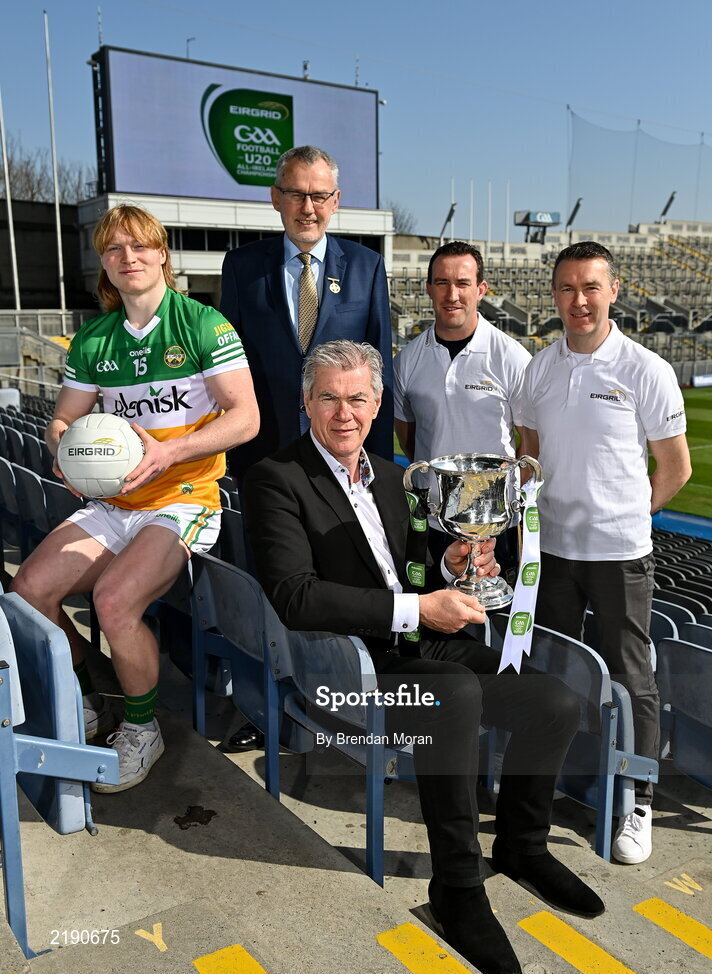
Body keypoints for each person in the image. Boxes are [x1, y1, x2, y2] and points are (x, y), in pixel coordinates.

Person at [243, 339, 604, 974]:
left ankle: (522, 846)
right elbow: (295, 597)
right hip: (347, 666)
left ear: (379, 403)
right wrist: (417, 610)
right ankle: (457, 888)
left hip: (419, 646)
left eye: (358, 397)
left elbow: (414, 564)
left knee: (555, 701)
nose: (344, 412)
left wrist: (456, 563)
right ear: (305, 403)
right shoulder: (277, 479)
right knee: (454, 696)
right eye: (328, 397)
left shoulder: (391, 475)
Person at [10, 204, 259, 793]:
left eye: (139, 246)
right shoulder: (96, 338)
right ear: (105, 264)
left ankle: (143, 728)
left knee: (114, 600)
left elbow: (246, 417)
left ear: (161, 253)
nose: (129, 258)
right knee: (28, 591)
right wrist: (64, 452)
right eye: (115, 250)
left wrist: (170, 453)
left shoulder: (201, 324)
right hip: (114, 502)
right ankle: (86, 695)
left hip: (184, 498)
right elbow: (64, 418)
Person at [520, 241, 691, 864]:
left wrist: (625, 516)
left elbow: (676, 467)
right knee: (554, 673)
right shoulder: (539, 368)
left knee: (632, 679)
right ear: (555, 296)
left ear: (613, 291)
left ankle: (639, 798)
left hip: (619, 555)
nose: (579, 300)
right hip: (555, 552)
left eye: (590, 287)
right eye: (567, 288)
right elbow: (531, 450)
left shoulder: (645, 368)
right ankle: (541, 784)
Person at [220, 144, 393, 476]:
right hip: (263, 454)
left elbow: (379, 374)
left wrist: (380, 467)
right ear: (276, 198)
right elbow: (228, 366)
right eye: (296, 194)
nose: (308, 208)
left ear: (336, 200)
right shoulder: (242, 267)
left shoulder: (367, 267)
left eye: (319, 196)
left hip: (340, 454)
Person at [394, 241, 531, 579]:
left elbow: (531, 444)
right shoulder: (407, 360)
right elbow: (409, 439)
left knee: (493, 623)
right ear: (429, 288)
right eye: (442, 283)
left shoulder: (511, 357)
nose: (452, 294)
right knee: (435, 620)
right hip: (434, 522)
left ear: (481, 289)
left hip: (495, 529)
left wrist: (498, 501)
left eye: (463, 283)